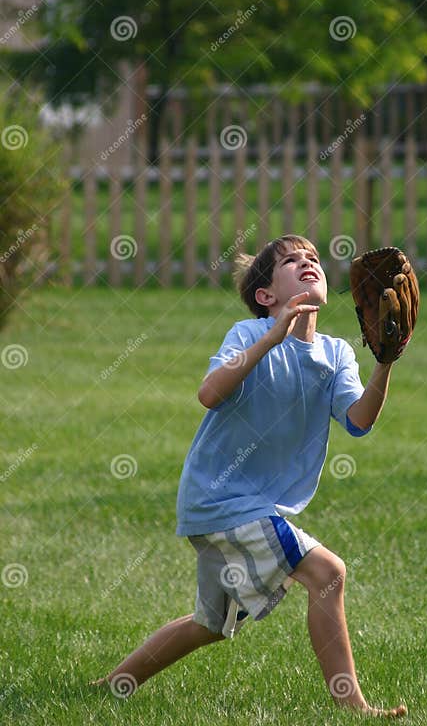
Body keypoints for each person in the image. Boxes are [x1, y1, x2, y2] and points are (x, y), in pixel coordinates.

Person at [91, 234, 407, 718]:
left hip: (232, 508)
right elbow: (209, 394)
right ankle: (355, 708)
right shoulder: (247, 334)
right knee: (328, 573)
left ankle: (112, 684)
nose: (308, 262)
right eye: (291, 260)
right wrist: (269, 337)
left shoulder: (337, 353)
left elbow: (359, 421)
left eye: (314, 258)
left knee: (210, 626)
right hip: (223, 500)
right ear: (266, 297)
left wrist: (384, 363)